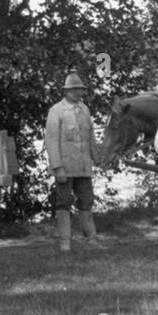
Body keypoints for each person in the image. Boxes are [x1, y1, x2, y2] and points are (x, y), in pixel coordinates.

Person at [44, 71, 105, 251]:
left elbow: (91, 137)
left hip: (83, 166)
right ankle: (65, 243)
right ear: (68, 91)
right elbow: (51, 141)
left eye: (81, 90)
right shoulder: (56, 111)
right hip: (65, 166)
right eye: (77, 90)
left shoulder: (84, 110)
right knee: (63, 202)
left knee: (86, 200)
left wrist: (97, 157)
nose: (80, 93)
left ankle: (92, 240)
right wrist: (57, 167)